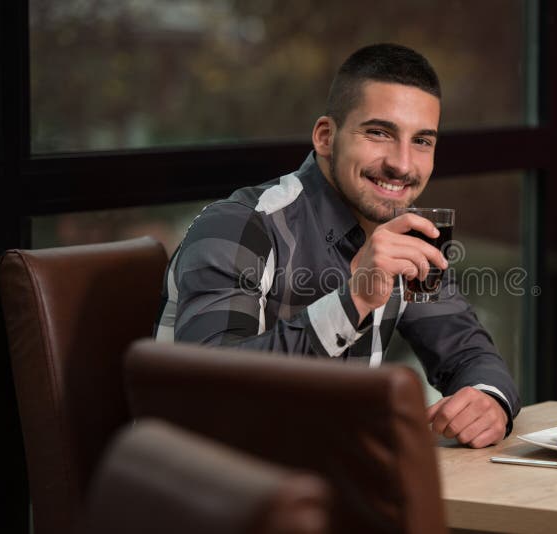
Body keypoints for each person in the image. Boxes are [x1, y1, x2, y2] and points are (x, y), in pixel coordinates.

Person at [155, 43, 521, 448]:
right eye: (379, 133)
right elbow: (209, 398)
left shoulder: (404, 234)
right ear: (326, 136)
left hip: (329, 479)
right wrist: (355, 299)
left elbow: (468, 352)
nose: (401, 164)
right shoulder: (241, 225)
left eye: (422, 141)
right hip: (207, 491)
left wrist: (489, 401)